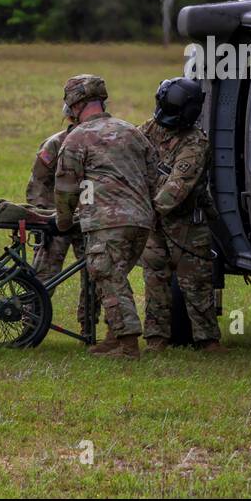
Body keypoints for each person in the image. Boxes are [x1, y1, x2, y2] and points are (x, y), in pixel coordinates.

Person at [53, 74, 156, 359]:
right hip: (140, 222)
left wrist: (63, 221)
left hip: (107, 223)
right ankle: (113, 337)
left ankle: (128, 345)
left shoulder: (76, 138)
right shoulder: (132, 131)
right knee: (117, 276)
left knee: (109, 279)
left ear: (74, 105)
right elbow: (152, 175)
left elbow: (65, 187)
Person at [139, 77, 224, 352]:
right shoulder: (147, 131)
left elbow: (177, 187)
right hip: (154, 224)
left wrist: (145, 213)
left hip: (186, 224)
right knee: (155, 281)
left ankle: (207, 341)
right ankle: (156, 339)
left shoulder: (195, 144)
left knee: (196, 284)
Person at [27, 114, 96, 336]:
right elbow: (38, 181)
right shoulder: (56, 143)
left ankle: (88, 327)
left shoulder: (98, 144)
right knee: (45, 272)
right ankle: (31, 324)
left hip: (87, 218)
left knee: (93, 274)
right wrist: (42, 217)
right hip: (55, 218)